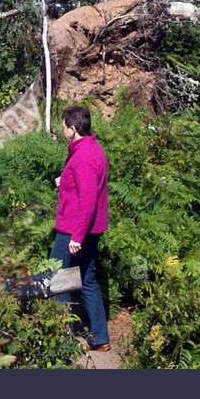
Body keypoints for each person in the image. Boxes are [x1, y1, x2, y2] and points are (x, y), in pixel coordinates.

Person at [52, 105, 110, 350]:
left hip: (75, 229)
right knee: (87, 279)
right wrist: (64, 179)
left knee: (57, 278)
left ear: (73, 129)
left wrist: (76, 236)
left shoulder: (84, 156)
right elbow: (83, 184)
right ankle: (100, 337)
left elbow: (88, 200)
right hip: (89, 229)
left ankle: (62, 337)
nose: (62, 129)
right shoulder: (90, 148)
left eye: (64, 125)